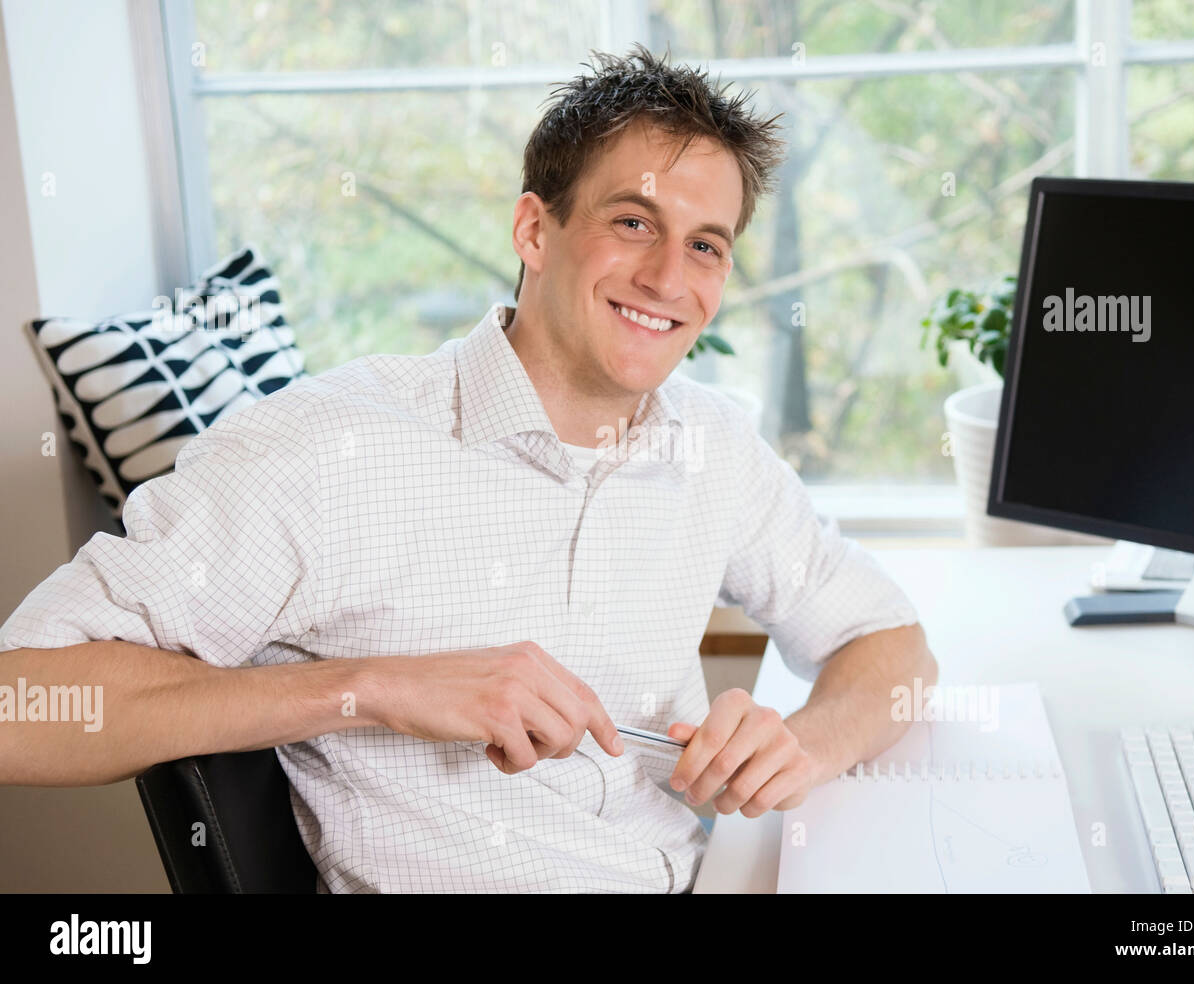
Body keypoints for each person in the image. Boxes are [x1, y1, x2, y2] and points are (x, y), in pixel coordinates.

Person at [0, 43, 936, 892]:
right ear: (535, 231)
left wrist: (801, 748)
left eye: (705, 246)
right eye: (632, 222)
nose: (668, 280)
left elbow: (894, 650)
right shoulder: (322, 451)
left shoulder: (712, 446)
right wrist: (374, 688)